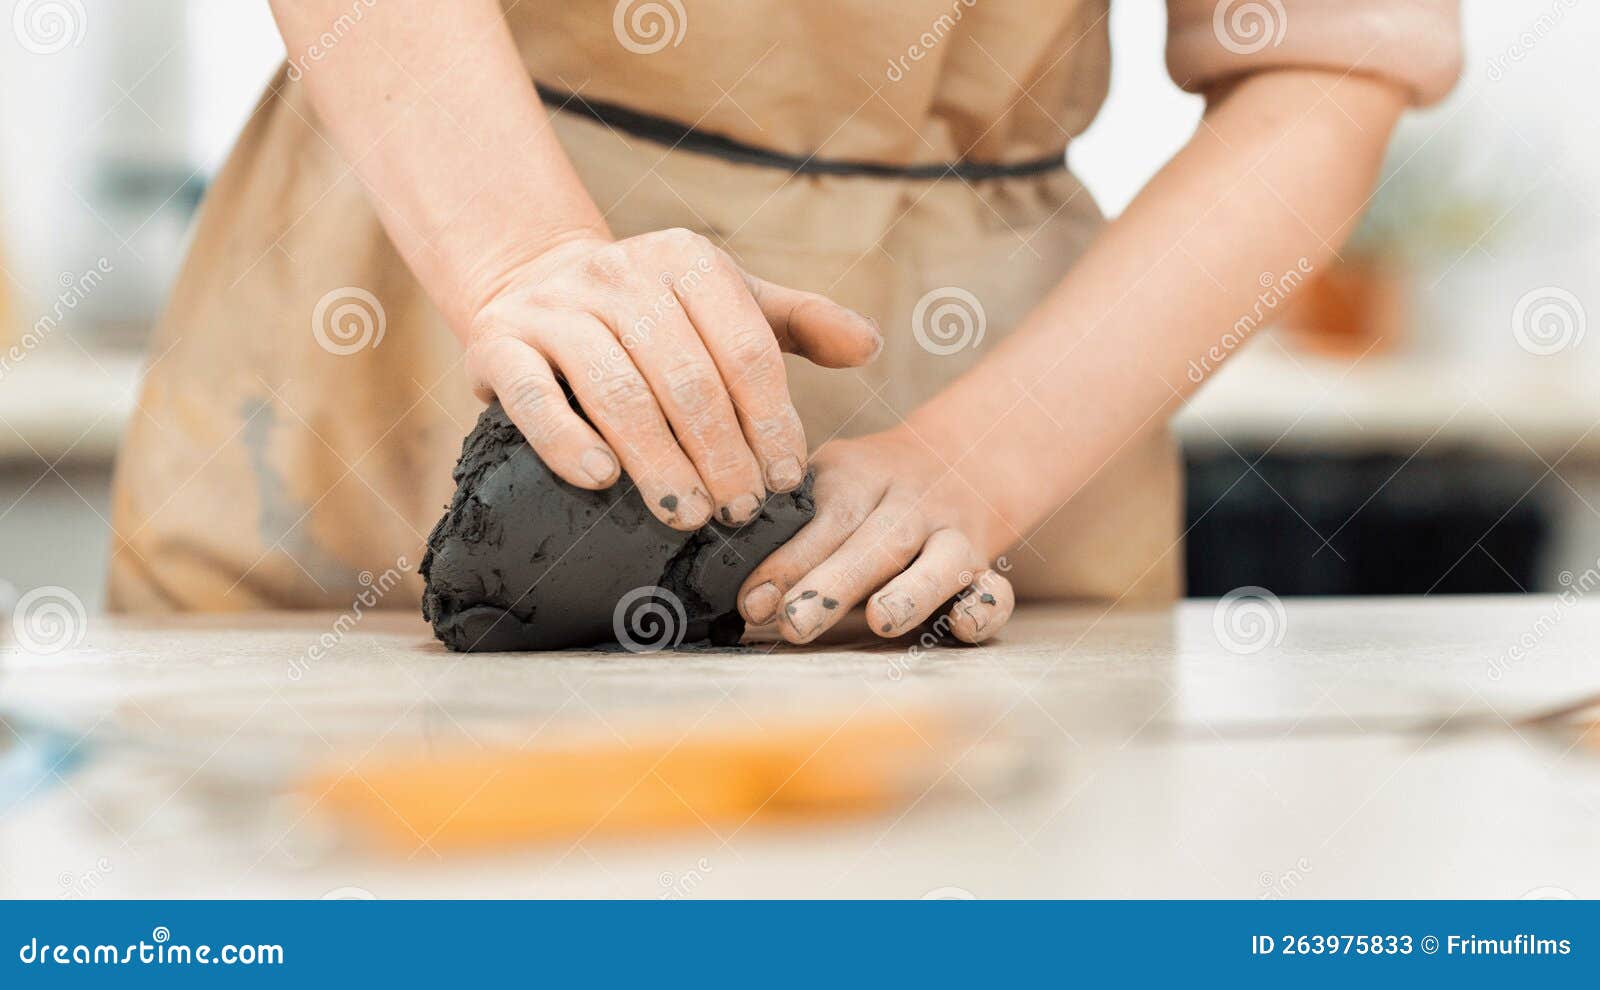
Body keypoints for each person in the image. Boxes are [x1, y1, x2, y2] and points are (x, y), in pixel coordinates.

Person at [108, 1, 1461, 645]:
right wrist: (524, 250)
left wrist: (985, 460)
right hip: (416, 264)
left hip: (1016, 384)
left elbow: (1322, 70)